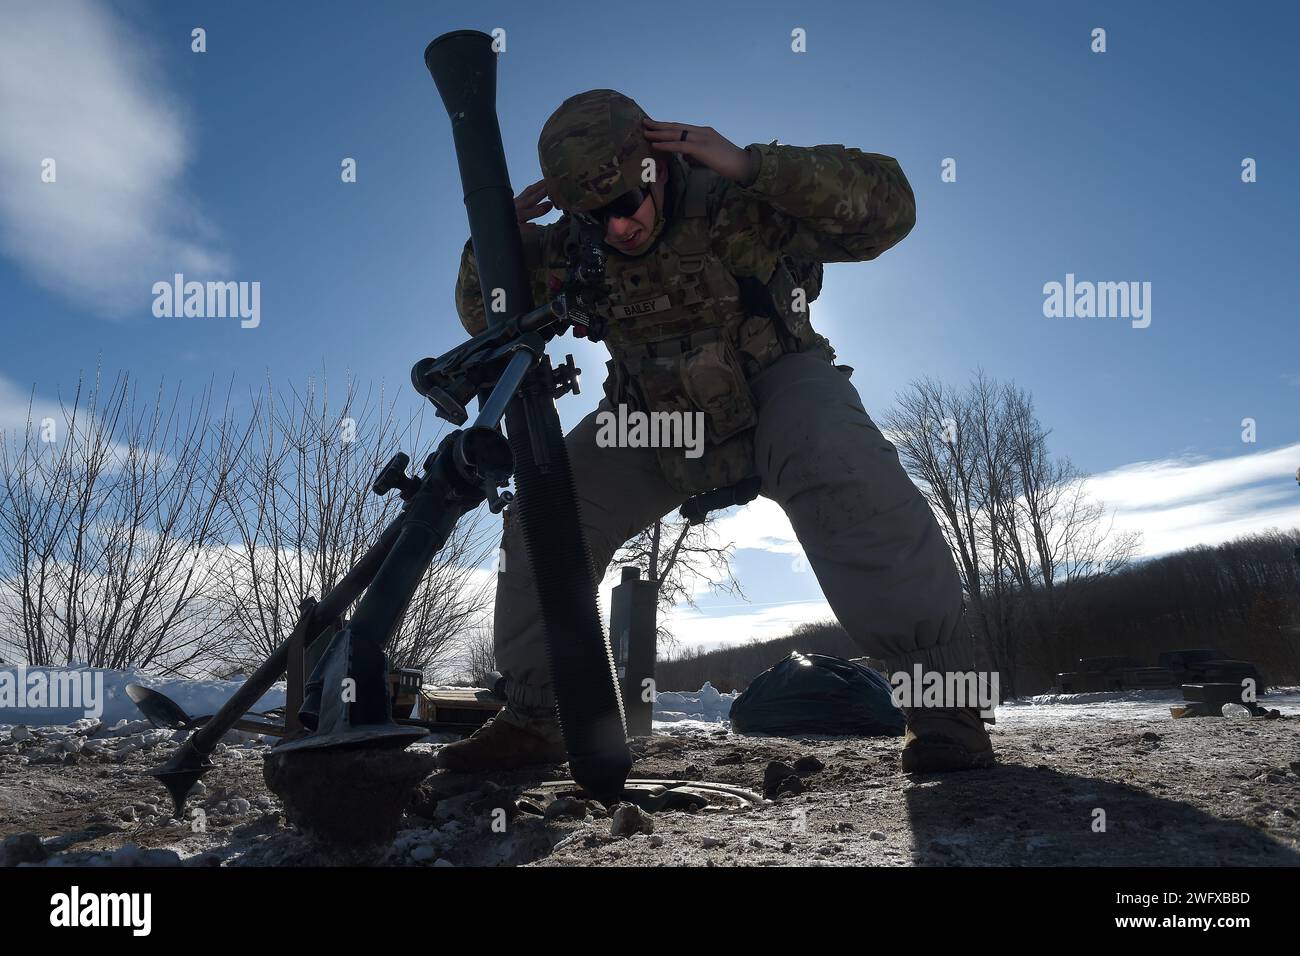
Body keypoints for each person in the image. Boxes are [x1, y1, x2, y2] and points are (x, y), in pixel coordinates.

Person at [437, 89, 993, 774]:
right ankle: (535, 717)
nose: (616, 228)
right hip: (655, 419)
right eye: (593, 214)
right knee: (545, 511)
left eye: (623, 202)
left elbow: (891, 210)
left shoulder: (738, 199)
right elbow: (482, 317)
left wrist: (755, 165)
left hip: (774, 383)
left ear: (657, 165)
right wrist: (488, 247)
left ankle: (946, 715)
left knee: (841, 465)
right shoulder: (580, 246)